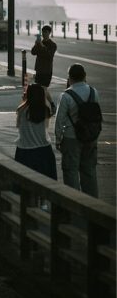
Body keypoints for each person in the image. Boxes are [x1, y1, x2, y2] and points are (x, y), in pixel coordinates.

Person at [55, 63, 100, 197]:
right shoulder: (94, 92)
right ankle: (92, 204)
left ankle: (74, 202)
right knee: (89, 171)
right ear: (84, 76)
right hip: (91, 137)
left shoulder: (66, 95)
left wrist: (58, 139)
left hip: (71, 138)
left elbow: (59, 120)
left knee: (71, 171)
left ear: (69, 77)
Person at [14, 81, 57, 180]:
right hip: (44, 149)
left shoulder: (21, 110)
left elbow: (18, 125)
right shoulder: (44, 110)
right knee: (46, 182)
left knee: (25, 184)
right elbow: (47, 125)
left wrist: (24, 101)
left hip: (24, 150)